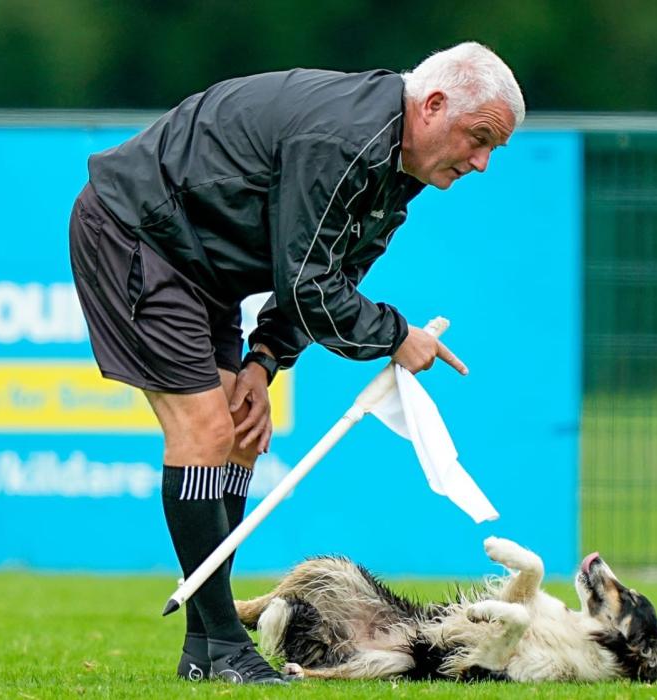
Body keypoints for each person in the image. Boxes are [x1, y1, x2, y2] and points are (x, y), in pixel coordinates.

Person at [68, 42, 524, 684]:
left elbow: (330, 273)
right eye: (479, 140)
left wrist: (262, 362)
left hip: (205, 267)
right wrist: (396, 336)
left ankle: (204, 647)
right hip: (137, 231)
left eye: (492, 150)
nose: (480, 163)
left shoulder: (398, 169)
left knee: (240, 433)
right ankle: (224, 643)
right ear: (433, 105)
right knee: (205, 430)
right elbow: (310, 286)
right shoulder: (345, 140)